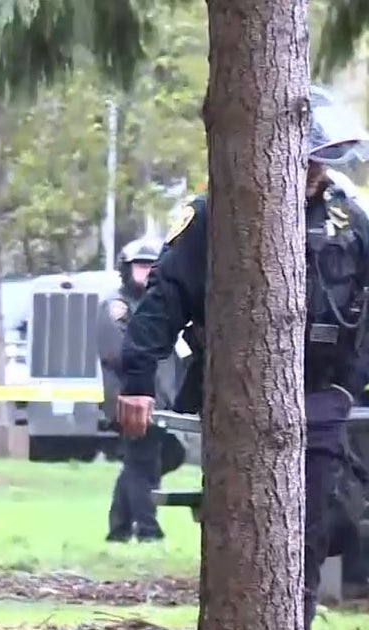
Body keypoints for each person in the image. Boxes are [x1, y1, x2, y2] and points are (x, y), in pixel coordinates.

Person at [117, 84, 369, 628]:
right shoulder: (217, 213)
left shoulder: (349, 221)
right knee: (247, 528)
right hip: (240, 396)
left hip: (324, 397)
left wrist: (353, 383)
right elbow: (164, 299)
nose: (317, 174)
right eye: (310, 162)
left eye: (323, 165)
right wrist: (137, 378)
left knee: (312, 529)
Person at [97, 237, 186, 543]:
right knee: (142, 464)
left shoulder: (156, 305)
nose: (146, 272)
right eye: (140, 266)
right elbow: (117, 352)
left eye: (151, 266)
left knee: (162, 457)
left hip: (159, 400)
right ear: (126, 269)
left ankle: (118, 528)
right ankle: (148, 530)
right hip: (128, 398)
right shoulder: (117, 306)